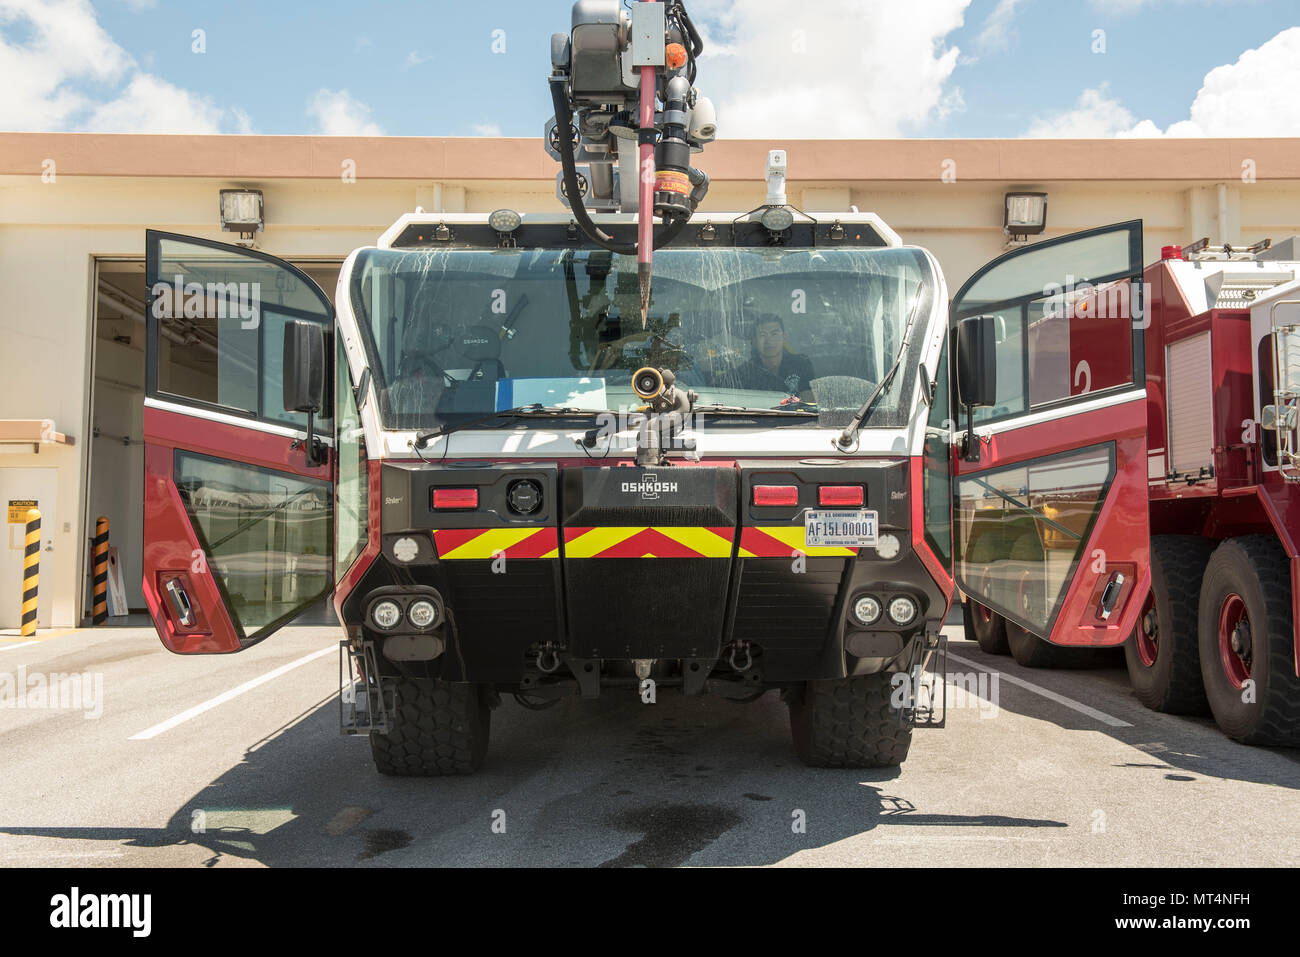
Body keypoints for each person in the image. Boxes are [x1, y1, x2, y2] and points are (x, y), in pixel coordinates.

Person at [734, 313, 816, 402]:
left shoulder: (801, 364)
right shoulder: (744, 373)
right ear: (754, 341)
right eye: (763, 335)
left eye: (774, 334)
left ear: (784, 337)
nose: (769, 340)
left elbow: (809, 404)